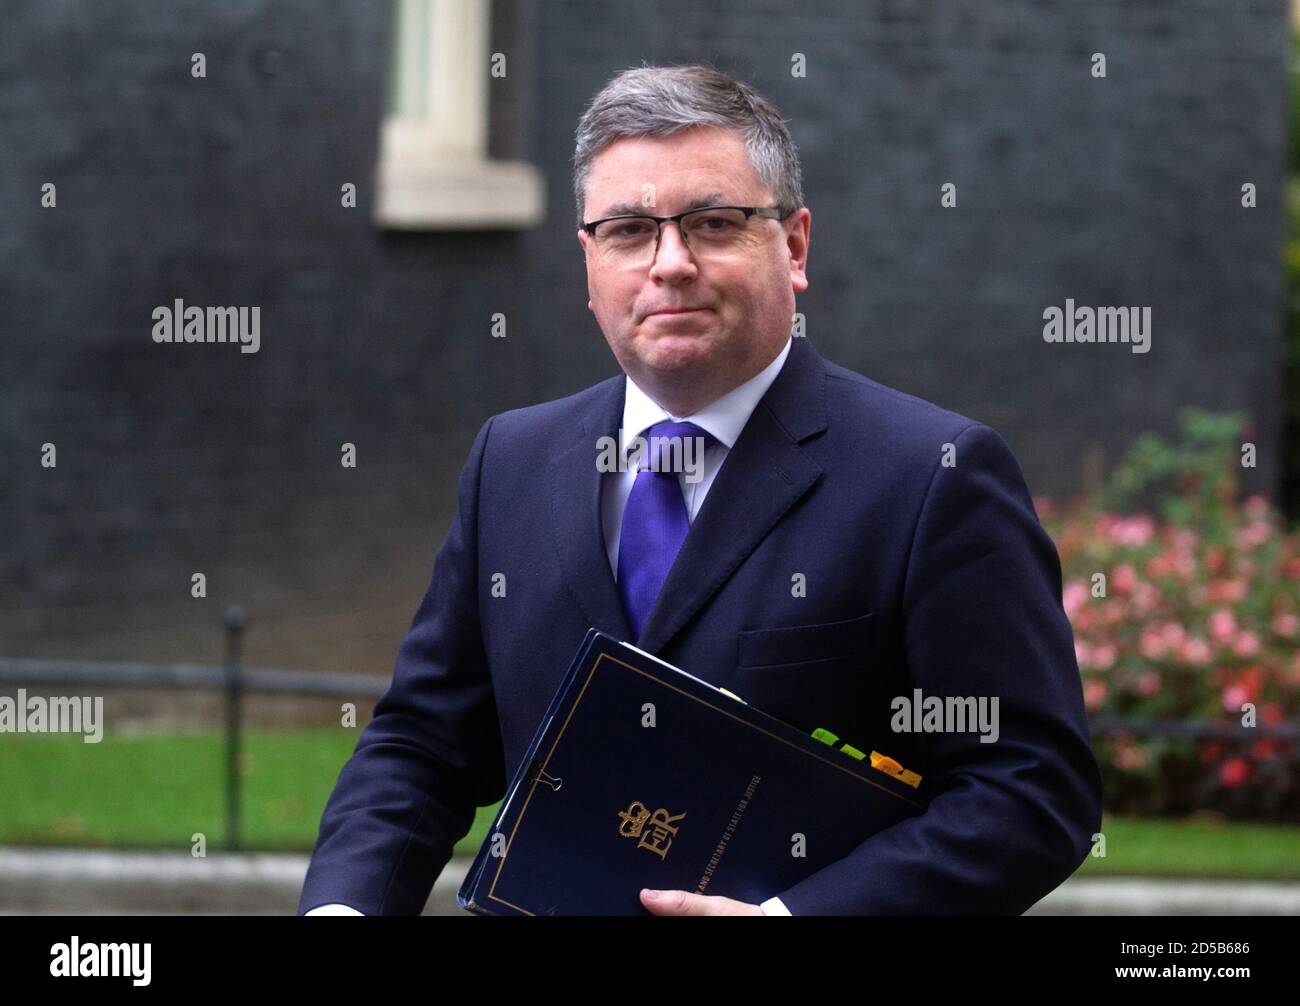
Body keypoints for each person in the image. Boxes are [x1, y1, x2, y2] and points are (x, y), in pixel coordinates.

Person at [299, 63, 1103, 916]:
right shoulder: (513, 463)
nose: (669, 264)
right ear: (588, 262)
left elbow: (1029, 790)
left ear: (793, 247)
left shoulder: (933, 476)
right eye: (629, 229)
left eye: (714, 224)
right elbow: (423, 744)